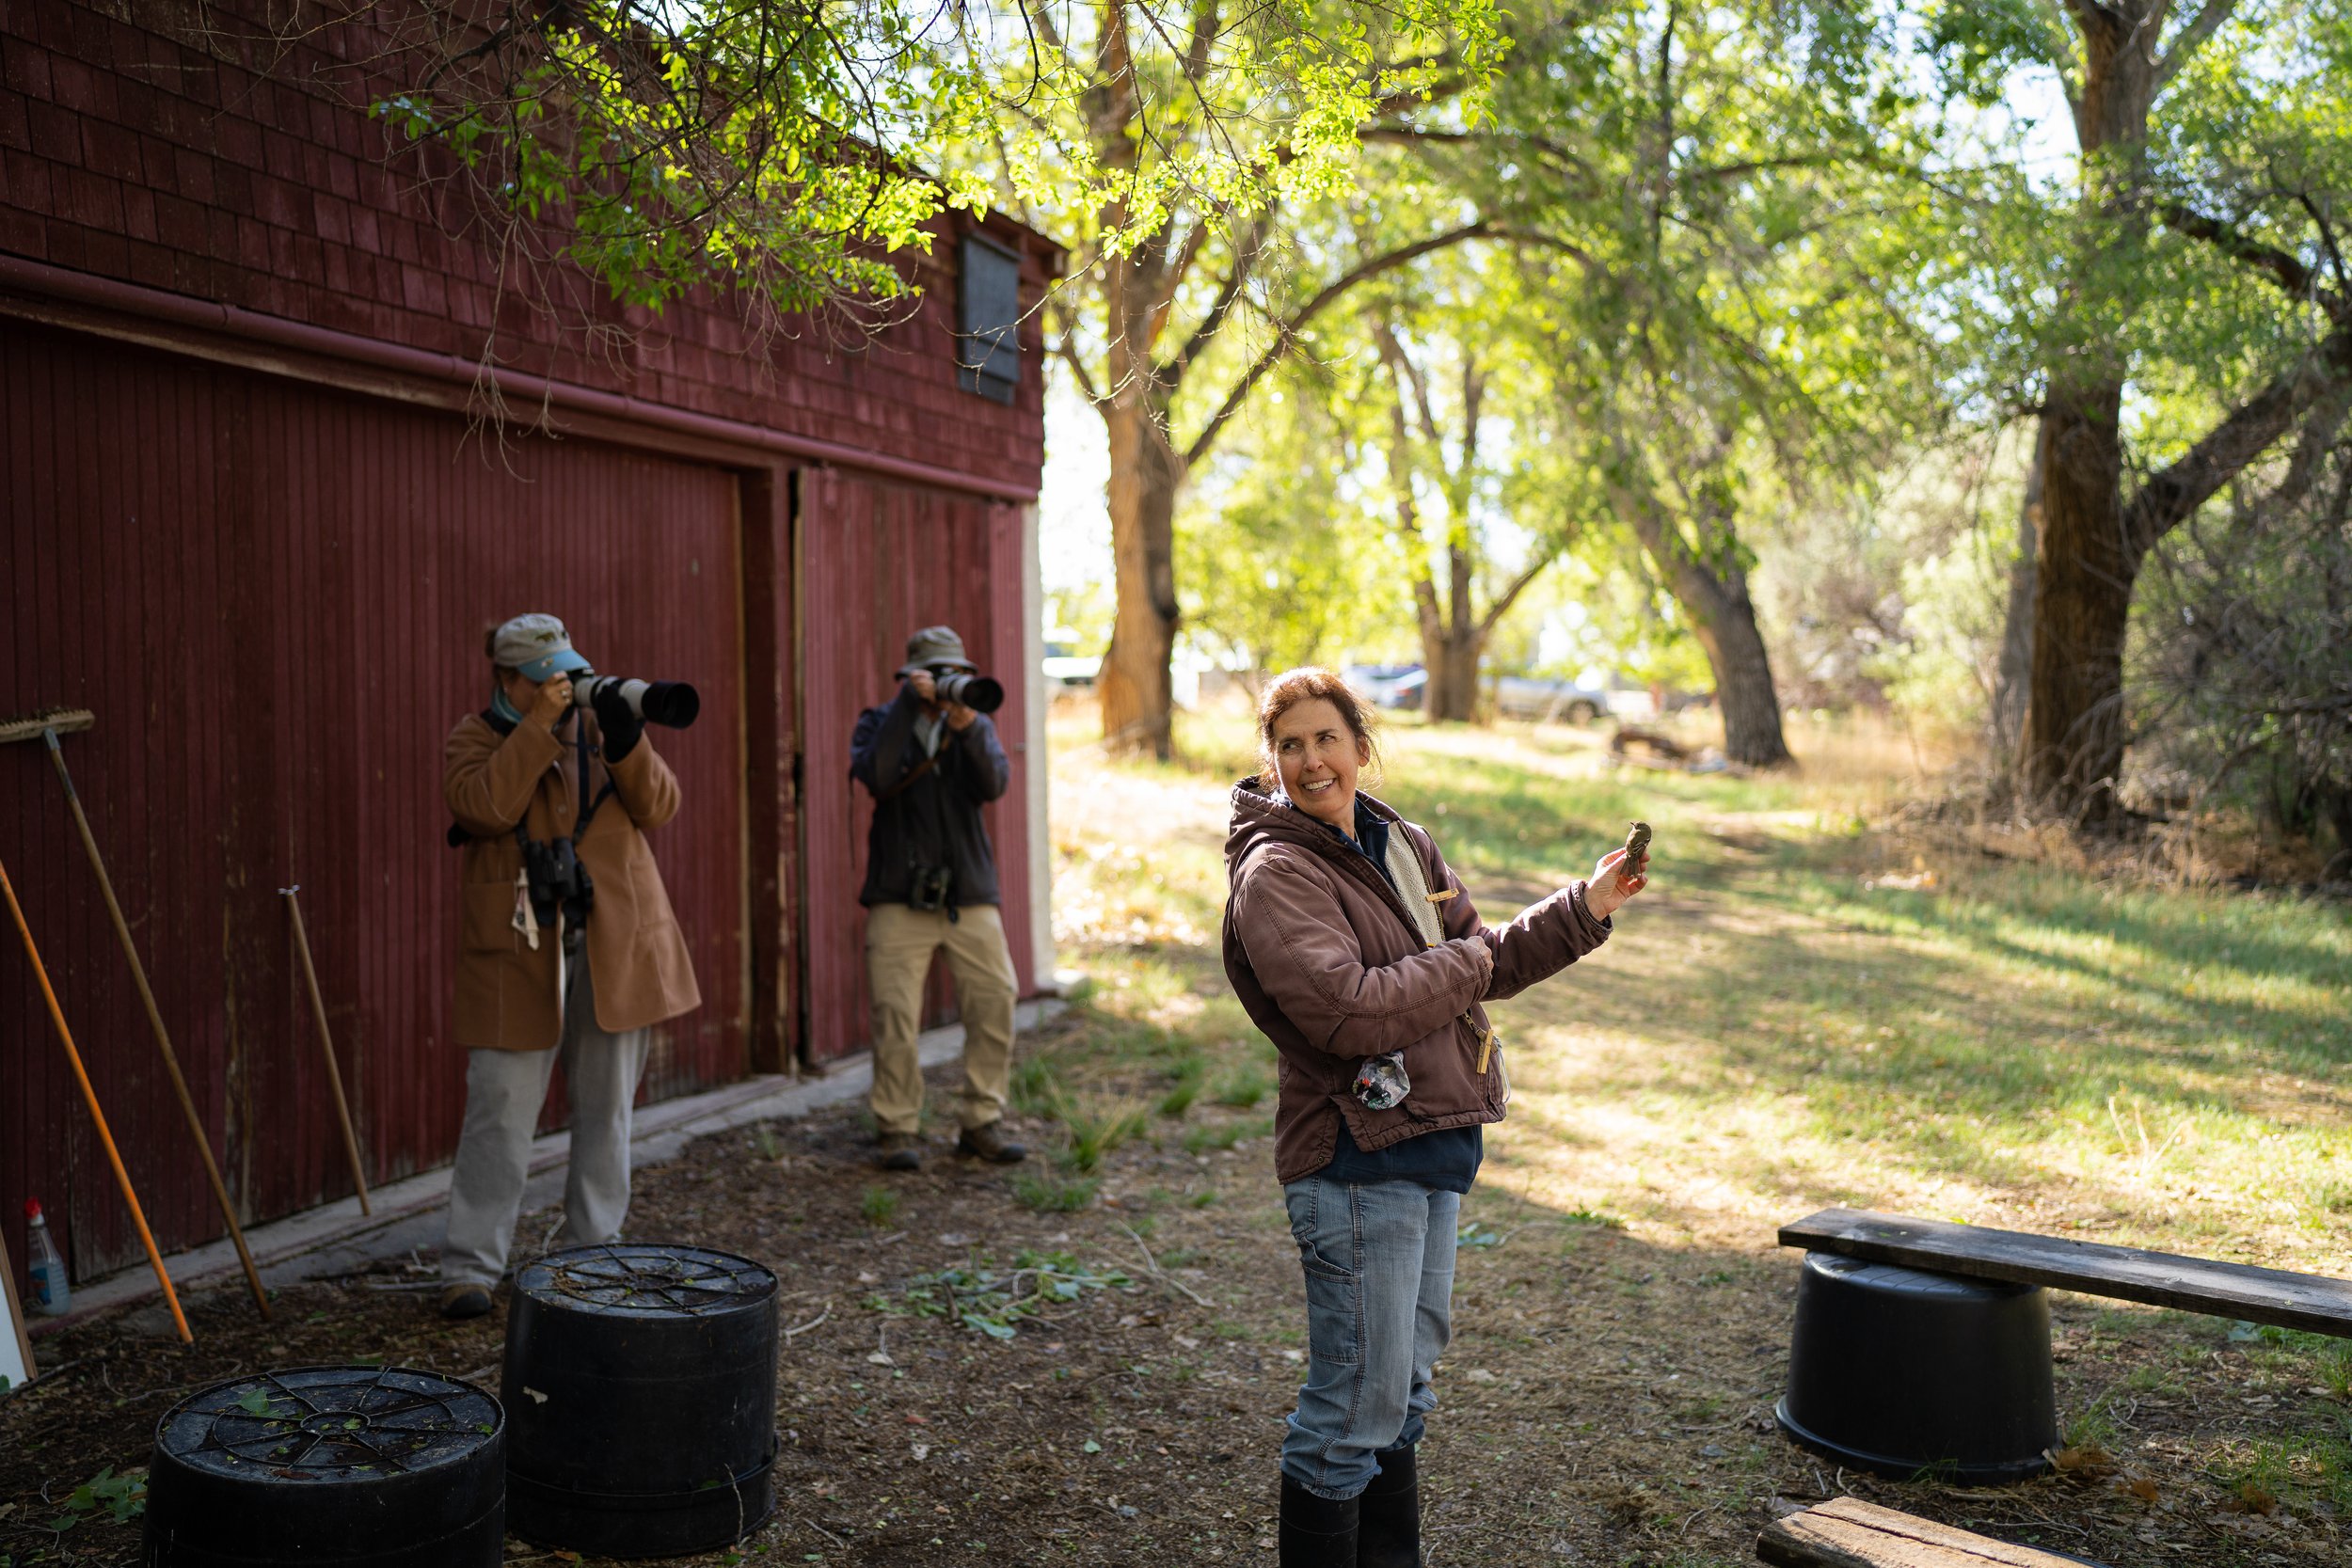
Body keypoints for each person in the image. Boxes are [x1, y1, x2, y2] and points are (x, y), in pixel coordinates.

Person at [1222, 668, 1648, 1566]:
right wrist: (1465, 961)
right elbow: (1350, 1011)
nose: (1311, 759)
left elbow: (1484, 958)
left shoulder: (1401, 842)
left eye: (1326, 738)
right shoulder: (1276, 871)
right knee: (1352, 1411)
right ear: (1271, 762)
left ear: (1361, 747)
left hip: (1429, 1141)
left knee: (1403, 1396)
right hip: (1351, 1156)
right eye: (1289, 744)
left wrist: (1586, 905)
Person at [436, 613, 702, 1320]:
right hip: (519, 947)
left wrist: (627, 738)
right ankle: (471, 1265)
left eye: (567, 670)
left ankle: (594, 1251)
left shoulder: (598, 731)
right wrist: (538, 731)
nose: (562, 684)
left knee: (607, 1104)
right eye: (543, 677)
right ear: (507, 679)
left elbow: (662, 805)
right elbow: (485, 805)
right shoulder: (476, 735)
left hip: (615, 940)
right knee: (499, 1105)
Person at [851, 626, 1027, 1171]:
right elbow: (876, 773)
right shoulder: (879, 722)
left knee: (996, 998)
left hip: (967, 894)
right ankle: (897, 1126)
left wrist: (967, 726)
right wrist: (910, 706)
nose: (952, 684)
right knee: (895, 1013)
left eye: (958, 674)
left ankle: (981, 1121)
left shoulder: (974, 725)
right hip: (897, 894)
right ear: (911, 677)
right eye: (937, 675)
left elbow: (993, 785)